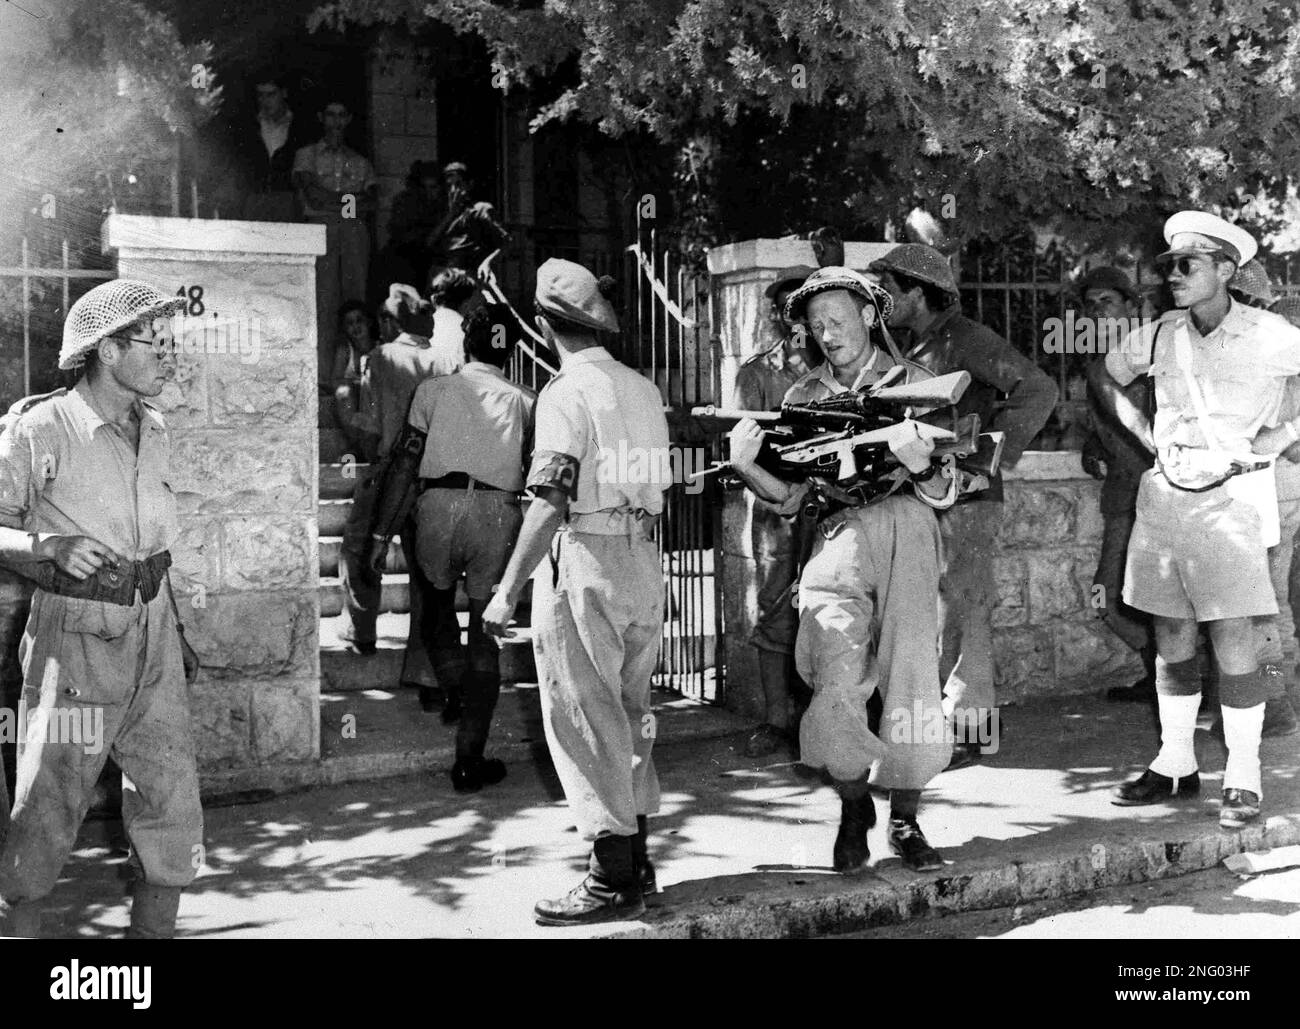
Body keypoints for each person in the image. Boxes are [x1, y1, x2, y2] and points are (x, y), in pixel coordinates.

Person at [729, 266, 964, 875]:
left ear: (869, 315)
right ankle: (854, 805)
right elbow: (788, 498)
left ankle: (907, 818)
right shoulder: (803, 396)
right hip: (835, 538)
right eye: (814, 326)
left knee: (912, 675)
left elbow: (949, 487)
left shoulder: (918, 383)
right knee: (834, 677)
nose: (826, 334)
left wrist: (920, 465)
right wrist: (748, 467)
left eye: (836, 321)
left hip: (909, 533)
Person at [0, 279, 203, 938]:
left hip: (153, 628)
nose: (168, 355)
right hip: (74, 636)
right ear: (110, 349)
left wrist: (176, 625)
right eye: (155, 342)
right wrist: (45, 545)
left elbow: (156, 542)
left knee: (171, 804)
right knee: (48, 805)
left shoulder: (158, 427)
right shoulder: (41, 427)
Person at [1091, 211, 1300, 827]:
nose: (1172, 276)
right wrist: (1140, 435)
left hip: (1234, 498)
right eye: (1168, 266)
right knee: (1172, 638)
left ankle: (1244, 777)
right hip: (1165, 496)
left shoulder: (1271, 333)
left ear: (1226, 271)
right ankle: (1175, 763)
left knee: (1234, 638)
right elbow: (1107, 375)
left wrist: (1285, 433)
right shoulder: (1161, 333)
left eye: (1187, 265)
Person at [483, 259, 670, 926]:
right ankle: (638, 860)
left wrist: (506, 590)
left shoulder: (564, 394)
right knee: (630, 710)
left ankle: (610, 877)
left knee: (587, 719)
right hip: (643, 557)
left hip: (588, 556)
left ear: (544, 324)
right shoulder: (644, 389)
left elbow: (550, 497)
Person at [869, 243, 1057, 767]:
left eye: (889, 289)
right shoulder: (913, 346)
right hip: (927, 495)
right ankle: (941, 728)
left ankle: (971, 732)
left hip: (967, 499)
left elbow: (1038, 389)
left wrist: (988, 460)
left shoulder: (966, 338)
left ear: (918, 291)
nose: (882, 301)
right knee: (936, 613)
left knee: (963, 614)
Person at [368, 306, 536, 791]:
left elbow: (404, 465)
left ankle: (454, 685)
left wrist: (383, 533)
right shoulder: (525, 399)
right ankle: (469, 758)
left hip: (436, 505)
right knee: (487, 635)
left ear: (467, 345)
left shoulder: (433, 390)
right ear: (512, 349)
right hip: (497, 511)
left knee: (436, 610)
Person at [335, 284, 441, 703]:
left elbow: (376, 425)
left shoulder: (379, 358)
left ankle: (362, 632)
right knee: (424, 571)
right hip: (429, 472)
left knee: (358, 550)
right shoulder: (439, 358)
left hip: (388, 469)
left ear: (387, 321)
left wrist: (345, 410)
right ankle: (422, 662)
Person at [732, 271, 817, 757]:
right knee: (776, 610)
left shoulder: (834, 370)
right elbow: (745, 448)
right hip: (777, 511)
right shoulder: (758, 373)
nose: (794, 318)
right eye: (785, 309)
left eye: (800, 307)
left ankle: (818, 717)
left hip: (826, 506)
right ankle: (775, 719)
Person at [1076, 267, 1158, 704]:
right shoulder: (1099, 362)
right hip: (1122, 499)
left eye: (1106, 301)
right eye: (1090, 304)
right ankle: (1160, 671)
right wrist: (1094, 442)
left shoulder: (1154, 358)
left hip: (1156, 495)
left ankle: (1176, 679)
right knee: (1105, 595)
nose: (1095, 311)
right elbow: (1114, 421)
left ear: (1131, 306)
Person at [293, 99, 379, 386]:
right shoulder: (307, 156)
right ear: (321, 117)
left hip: (353, 232)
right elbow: (313, 195)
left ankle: (354, 374)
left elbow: (370, 201)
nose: (336, 121)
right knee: (323, 302)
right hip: (321, 231)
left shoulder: (360, 162)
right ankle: (321, 377)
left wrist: (335, 202)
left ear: (348, 119)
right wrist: (347, 202)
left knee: (355, 301)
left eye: (342, 115)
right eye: (330, 115)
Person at [237, 72, 308, 223]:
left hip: (290, 202)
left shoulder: (301, 127)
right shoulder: (249, 126)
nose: (265, 101)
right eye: (261, 95)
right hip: (254, 200)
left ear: (284, 93)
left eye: (271, 95)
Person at [435, 162, 510, 275]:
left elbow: (507, 243)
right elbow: (430, 242)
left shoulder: (480, 209)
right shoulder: (443, 214)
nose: (453, 190)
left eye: (459, 184)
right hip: (445, 275)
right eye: (449, 186)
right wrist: (451, 214)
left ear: (469, 184)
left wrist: (488, 263)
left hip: (469, 275)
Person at [329, 300, 380, 463]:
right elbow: (336, 379)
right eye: (350, 323)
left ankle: (369, 444)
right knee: (344, 390)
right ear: (344, 328)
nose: (356, 327)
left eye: (359, 321)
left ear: (369, 322)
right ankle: (356, 443)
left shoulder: (379, 347)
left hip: (372, 397)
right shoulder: (346, 350)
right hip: (353, 398)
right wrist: (352, 385)